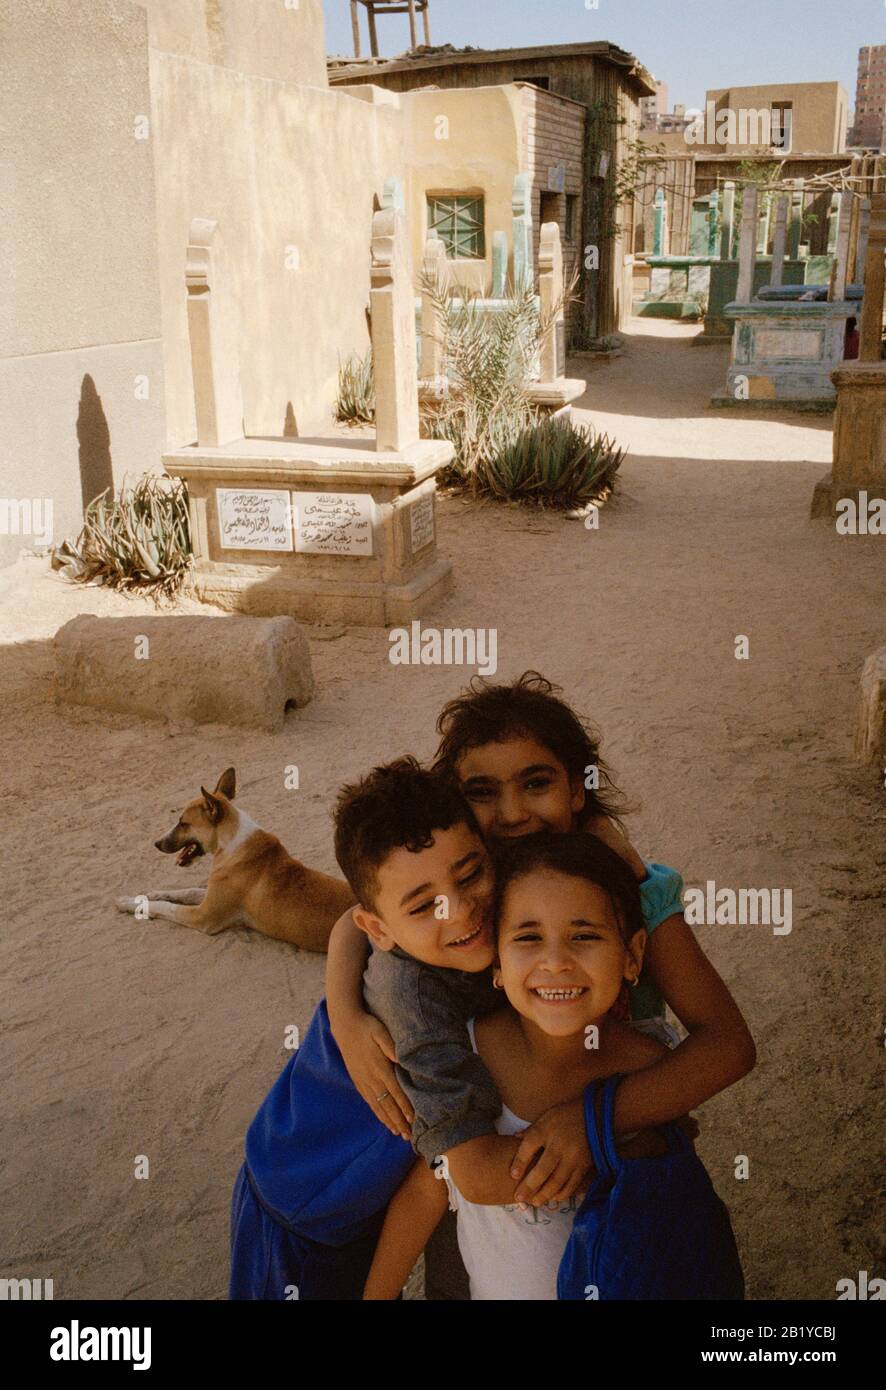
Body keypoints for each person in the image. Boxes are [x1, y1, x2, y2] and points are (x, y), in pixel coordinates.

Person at [326, 673, 755, 1296]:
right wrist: (344, 1014)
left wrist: (595, 1124)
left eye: (537, 782)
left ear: (579, 789)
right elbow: (357, 916)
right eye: (482, 791)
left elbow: (729, 1045)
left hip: (588, 1107)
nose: (513, 813)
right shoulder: (469, 888)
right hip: (462, 1142)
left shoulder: (627, 887)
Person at [365, 831, 742, 1300]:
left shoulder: (652, 1070)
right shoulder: (468, 1053)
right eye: (527, 937)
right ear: (496, 964)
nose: (556, 962)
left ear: (633, 956)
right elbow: (429, 1188)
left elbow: (671, 1210)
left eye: (584, 936)